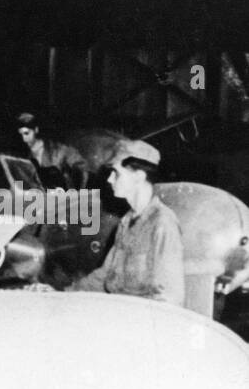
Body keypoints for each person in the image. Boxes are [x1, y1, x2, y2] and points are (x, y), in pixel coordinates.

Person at [68, 139, 184, 306]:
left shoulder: (162, 222)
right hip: (121, 312)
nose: (109, 179)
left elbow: (169, 297)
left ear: (138, 176)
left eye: (116, 173)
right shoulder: (126, 221)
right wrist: (63, 295)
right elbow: (104, 276)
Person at [15, 112, 89, 189]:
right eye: (21, 134)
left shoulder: (58, 150)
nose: (24, 139)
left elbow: (82, 169)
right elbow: (20, 182)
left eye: (27, 133)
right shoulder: (22, 156)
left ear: (36, 130)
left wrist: (78, 192)